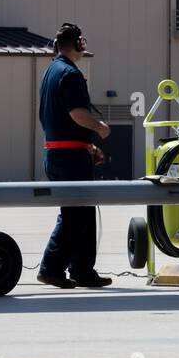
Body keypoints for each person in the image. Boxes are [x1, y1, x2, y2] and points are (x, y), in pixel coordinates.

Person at [36, 23, 112, 290]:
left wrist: (88, 148)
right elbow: (76, 114)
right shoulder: (70, 74)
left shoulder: (50, 73)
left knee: (79, 212)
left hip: (59, 153)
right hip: (70, 157)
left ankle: (82, 270)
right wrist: (99, 129)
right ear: (79, 44)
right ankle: (51, 267)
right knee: (75, 215)